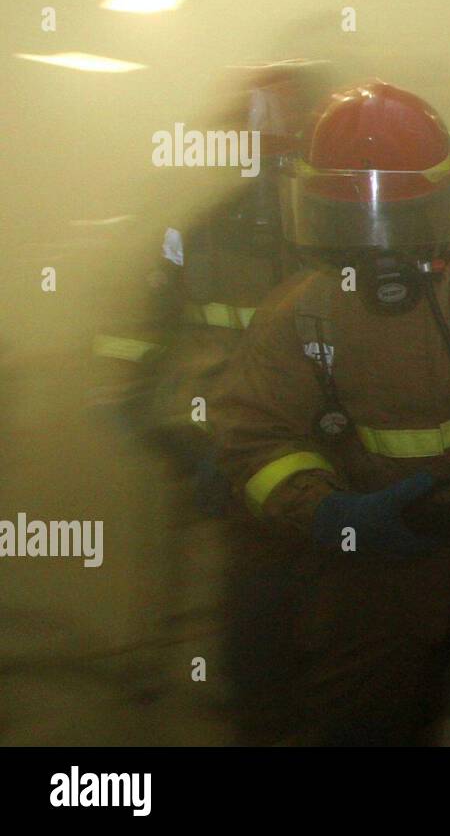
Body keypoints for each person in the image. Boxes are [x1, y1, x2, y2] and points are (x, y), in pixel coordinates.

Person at [208, 80, 450, 745]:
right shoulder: (302, 314)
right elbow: (253, 434)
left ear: (448, 205)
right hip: (376, 537)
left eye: (403, 222)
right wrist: (328, 512)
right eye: (352, 226)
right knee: (363, 710)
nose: (380, 252)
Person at [87, 60, 331, 742]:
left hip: (309, 458)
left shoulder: (336, 230)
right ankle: (272, 709)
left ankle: (276, 706)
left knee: (294, 610)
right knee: (267, 601)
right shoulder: (204, 236)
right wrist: (151, 415)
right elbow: (151, 331)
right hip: (253, 459)